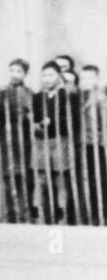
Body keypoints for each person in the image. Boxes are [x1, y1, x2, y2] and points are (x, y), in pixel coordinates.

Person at [31, 60, 77, 224]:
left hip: (60, 141)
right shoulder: (37, 97)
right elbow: (35, 121)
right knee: (40, 179)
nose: (47, 79)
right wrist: (40, 124)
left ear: (58, 76)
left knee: (60, 179)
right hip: (41, 142)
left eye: (51, 75)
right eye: (44, 75)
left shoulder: (66, 95)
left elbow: (71, 121)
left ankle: (62, 215)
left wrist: (53, 122)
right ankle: (40, 215)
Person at [0, 58, 35, 224]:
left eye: (19, 71)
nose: (15, 74)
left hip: (24, 137)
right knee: (8, 175)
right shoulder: (2, 91)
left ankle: (25, 210)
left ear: (25, 73)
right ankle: (10, 211)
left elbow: (32, 111)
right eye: (12, 70)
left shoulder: (29, 92)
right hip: (6, 135)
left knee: (24, 175)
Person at [79, 65, 106, 226]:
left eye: (89, 77)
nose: (85, 81)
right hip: (84, 144)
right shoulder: (80, 96)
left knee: (99, 179)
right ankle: (90, 214)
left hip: (97, 145)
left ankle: (99, 214)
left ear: (96, 79)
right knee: (88, 179)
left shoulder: (100, 98)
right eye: (83, 78)